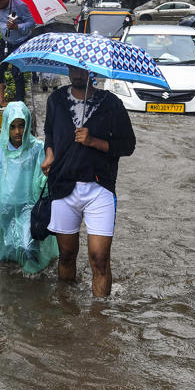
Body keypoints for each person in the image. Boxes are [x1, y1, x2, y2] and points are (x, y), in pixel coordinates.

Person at [41, 65, 136, 297]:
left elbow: (128, 145)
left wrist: (93, 141)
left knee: (100, 259)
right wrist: (49, 154)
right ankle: (66, 310)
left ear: (92, 72)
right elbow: (50, 134)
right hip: (63, 186)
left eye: (83, 70)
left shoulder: (111, 104)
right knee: (66, 254)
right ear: (67, 69)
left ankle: (100, 319)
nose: (77, 75)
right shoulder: (55, 100)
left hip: (99, 188)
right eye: (73, 69)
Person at [0, 102, 58, 274]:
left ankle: (31, 279)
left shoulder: (36, 148)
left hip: (28, 206)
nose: (18, 132)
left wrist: (47, 175)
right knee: (7, 247)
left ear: (27, 125)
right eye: (13, 127)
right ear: (6, 127)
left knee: (27, 245)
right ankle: (11, 278)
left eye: (21, 126)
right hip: (4, 207)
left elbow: (42, 179)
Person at [0, 0, 35, 111]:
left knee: (16, 73)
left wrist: (18, 27)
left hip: (20, 42)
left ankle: (19, 104)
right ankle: (0, 101)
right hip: (5, 42)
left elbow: (31, 23)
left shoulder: (20, 5)